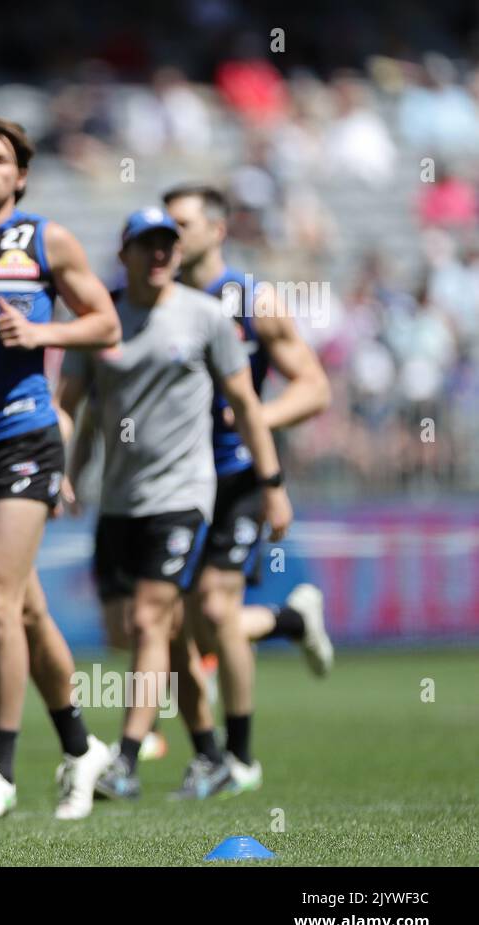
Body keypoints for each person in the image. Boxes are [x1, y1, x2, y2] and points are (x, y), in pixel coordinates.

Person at [56, 207, 292, 801]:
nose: (159, 255)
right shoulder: (100, 317)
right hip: (119, 500)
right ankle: (210, 754)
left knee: (148, 620)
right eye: (147, 245)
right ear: (125, 252)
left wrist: (273, 482)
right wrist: (70, 474)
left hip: (184, 494)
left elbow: (247, 401)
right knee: (136, 632)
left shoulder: (208, 317)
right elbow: (79, 406)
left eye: (168, 245)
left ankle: (127, 760)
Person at [0, 117, 119, 821]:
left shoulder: (46, 239)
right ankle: (80, 744)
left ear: (21, 175)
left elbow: (105, 323)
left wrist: (43, 331)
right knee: (27, 606)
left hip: (26, 437)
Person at [163, 183, 333, 795]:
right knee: (177, 626)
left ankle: (238, 757)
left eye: (182, 224)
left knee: (212, 608)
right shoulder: (159, 299)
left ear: (217, 230)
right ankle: (288, 621)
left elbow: (314, 386)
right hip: (173, 482)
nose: (172, 237)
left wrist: (257, 416)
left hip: (236, 475)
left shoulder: (251, 300)